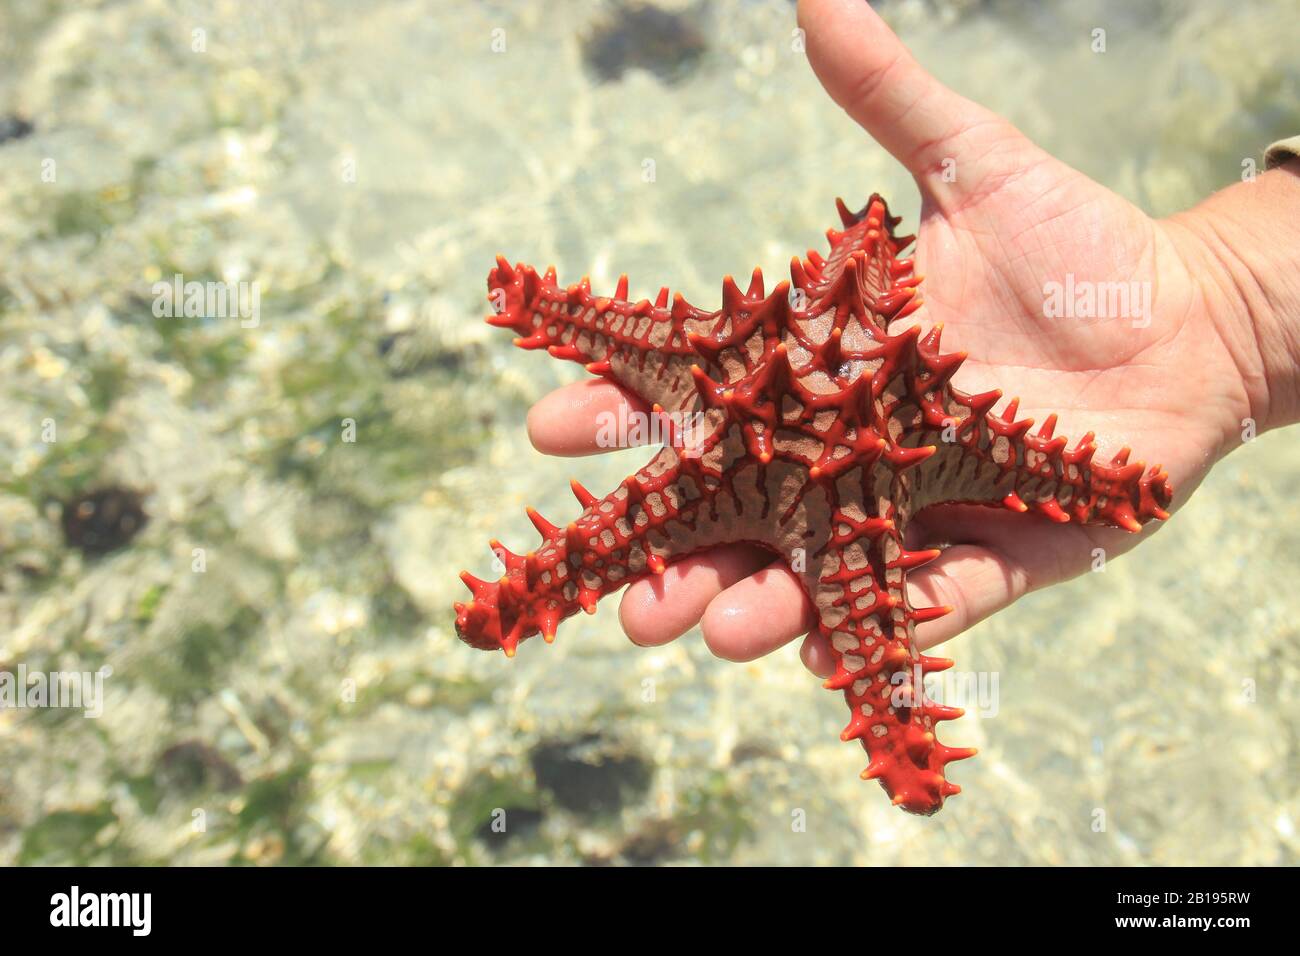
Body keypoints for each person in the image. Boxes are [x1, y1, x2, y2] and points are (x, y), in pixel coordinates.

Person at [522, 0, 1300, 678]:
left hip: (804, 468)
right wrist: (1232, 313)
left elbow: (863, 251)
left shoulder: (728, 363)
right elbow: (863, 253)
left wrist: (1233, 315)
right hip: (842, 488)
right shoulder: (891, 398)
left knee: (604, 554)